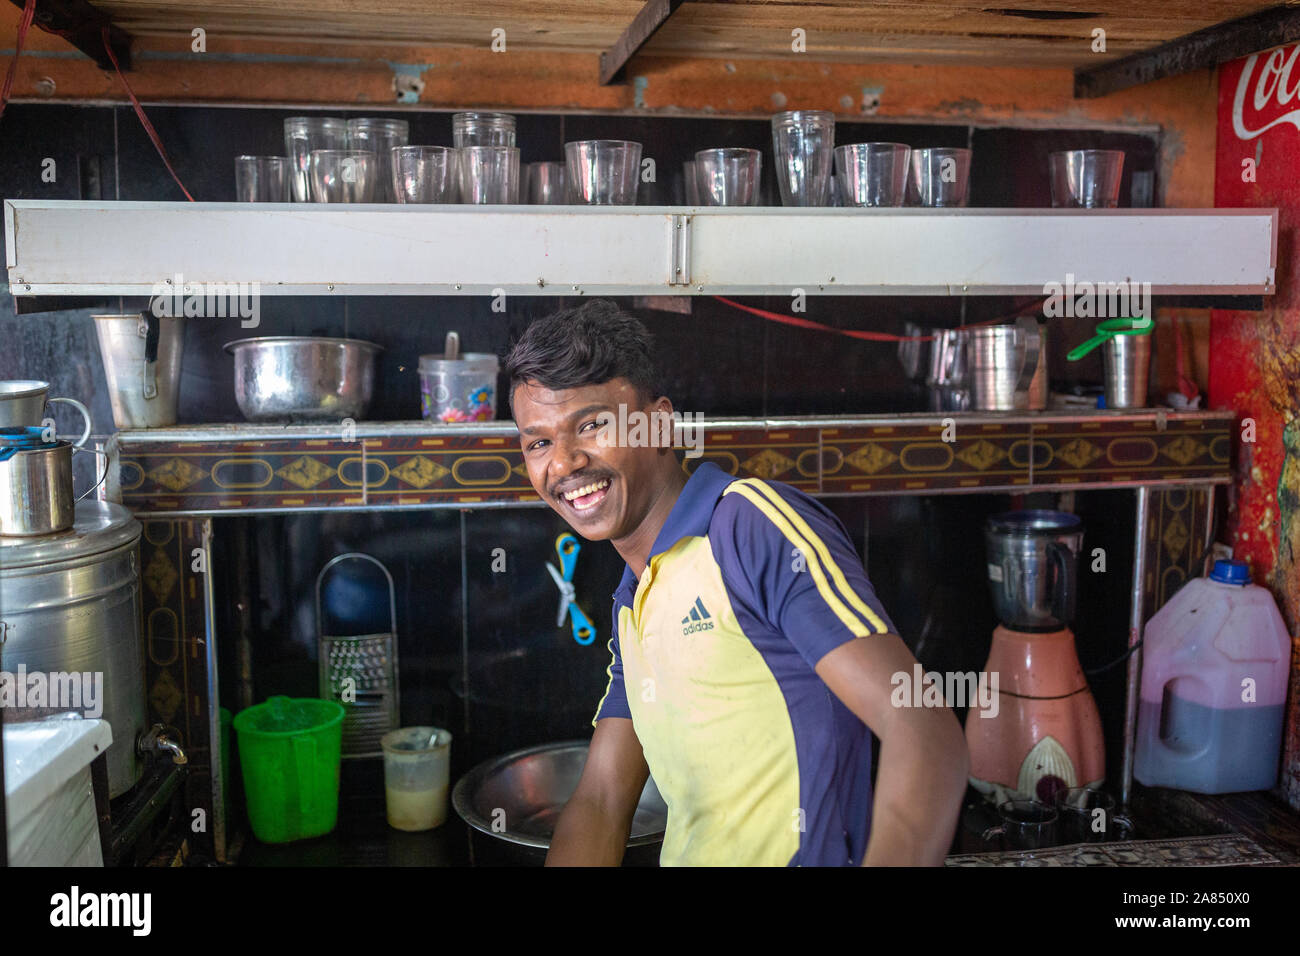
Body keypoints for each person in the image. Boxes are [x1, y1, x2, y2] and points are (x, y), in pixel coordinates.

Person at [503, 299, 968, 866]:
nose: (565, 462)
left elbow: (920, 724)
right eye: (539, 442)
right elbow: (601, 799)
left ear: (660, 424)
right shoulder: (635, 600)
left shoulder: (749, 527)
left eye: (593, 425)